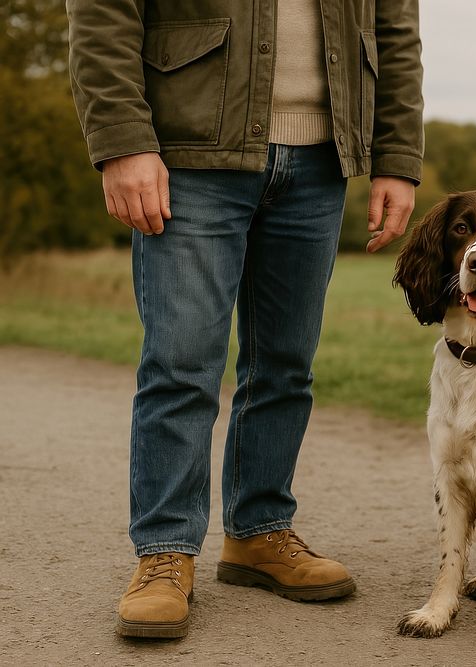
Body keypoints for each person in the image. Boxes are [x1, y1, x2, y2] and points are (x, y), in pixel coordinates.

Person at [67, 0, 423, 639]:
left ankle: (257, 533)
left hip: (320, 157)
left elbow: (396, 26)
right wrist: (121, 140)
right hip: (192, 146)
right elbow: (102, 11)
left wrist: (397, 153)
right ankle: (165, 552)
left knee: (286, 365)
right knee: (181, 365)